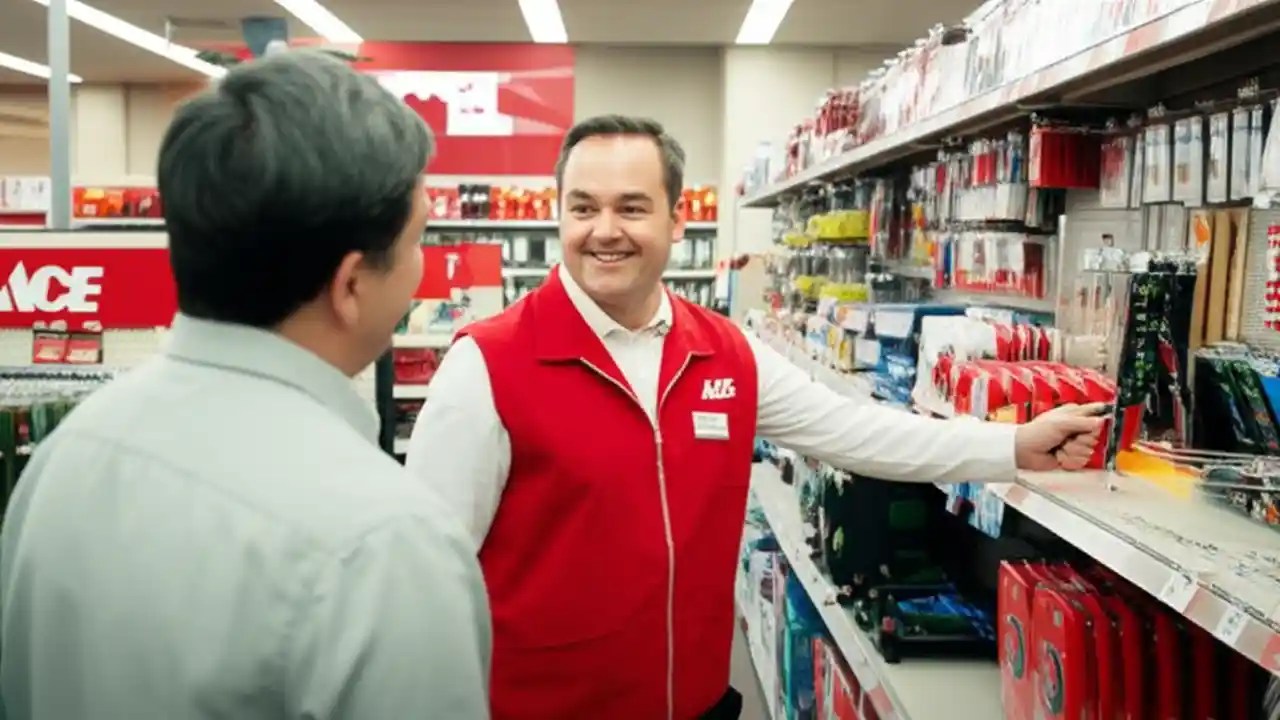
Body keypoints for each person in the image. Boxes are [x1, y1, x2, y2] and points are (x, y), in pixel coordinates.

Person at [405, 114, 1103, 720]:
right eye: (582, 207)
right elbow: (423, 581)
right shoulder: (488, 365)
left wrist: (1012, 445)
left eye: (632, 208)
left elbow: (858, 431)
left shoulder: (723, 353)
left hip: (699, 703)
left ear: (677, 220)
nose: (604, 231)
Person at [0, 51, 490, 719]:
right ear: (350, 285)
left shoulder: (66, 455)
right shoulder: (387, 543)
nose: (421, 266)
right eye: (417, 240)